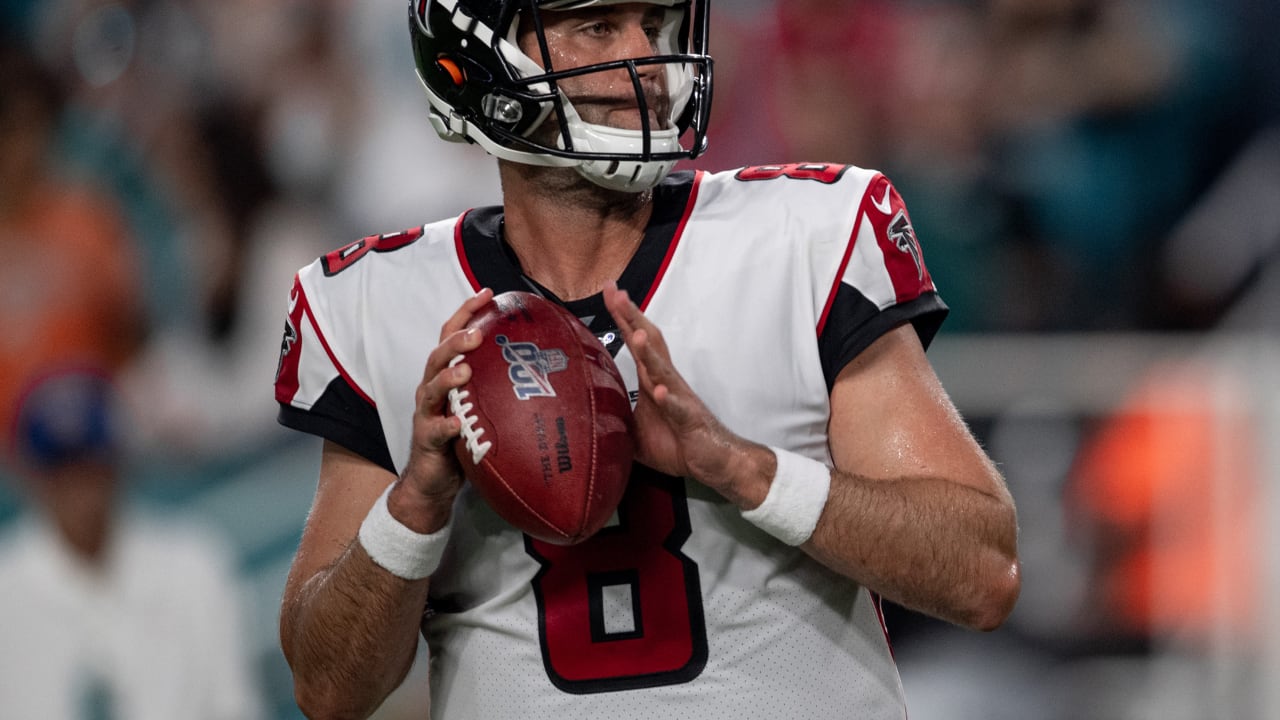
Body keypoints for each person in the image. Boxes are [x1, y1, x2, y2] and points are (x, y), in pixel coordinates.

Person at [273, 2, 1021, 719]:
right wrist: (417, 504)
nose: (647, 57)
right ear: (472, 56)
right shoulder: (377, 302)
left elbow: (982, 574)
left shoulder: (806, 238)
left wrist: (745, 469)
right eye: (598, 26)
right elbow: (328, 690)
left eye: (655, 22)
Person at [0, 370, 265, 720]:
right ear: (33, 477)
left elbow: (235, 707)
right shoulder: (7, 587)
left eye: (90, 464)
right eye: (61, 469)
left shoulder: (193, 563)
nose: (79, 487)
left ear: (117, 462)